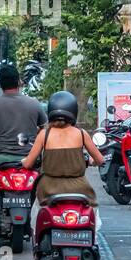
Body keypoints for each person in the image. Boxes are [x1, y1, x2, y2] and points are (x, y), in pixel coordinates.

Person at [21, 90, 105, 233]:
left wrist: (23, 161)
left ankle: (38, 242)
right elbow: (99, 159)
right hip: (80, 188)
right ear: (74, 111)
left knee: (37, 213)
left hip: (48, 188)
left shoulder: (44, 134)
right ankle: (92, 241)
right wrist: (91, 161)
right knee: (92, 212)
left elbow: (28, 164)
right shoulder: (81, 134)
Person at [0, 64, 46, 199]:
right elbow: (46, 129)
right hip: (30, 158)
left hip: (0, 158)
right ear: (19, 81)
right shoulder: (34, 103)